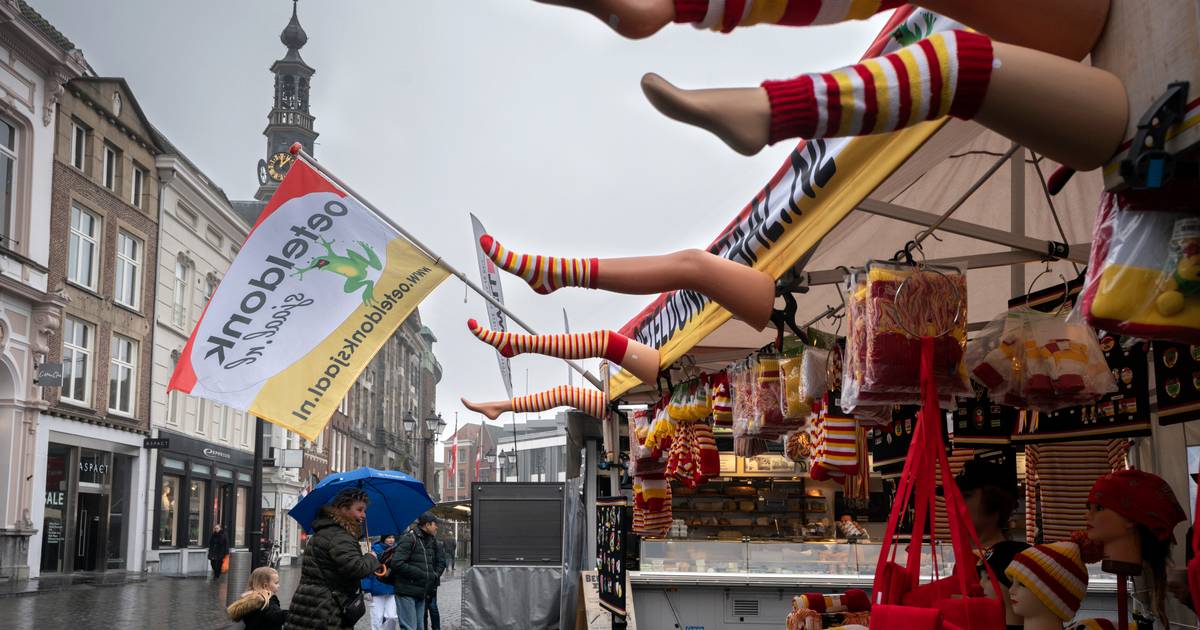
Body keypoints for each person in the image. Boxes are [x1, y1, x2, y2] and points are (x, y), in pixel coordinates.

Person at [283, 488, 378, 630]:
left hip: (309, 603)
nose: (363, 515)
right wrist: (371, 557)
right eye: (359, 510)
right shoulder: (340, 536)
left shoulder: (324, 531)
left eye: (364, 510)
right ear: (343, 509)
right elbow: (356, 568)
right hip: (327, 609)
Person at [955, 458, 1029, 630]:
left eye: (965, 496)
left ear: (995, 502)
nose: (955, 503)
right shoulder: (965, 559)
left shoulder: (1015, 562)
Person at [388, 513, 442, 630]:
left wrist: (432, 575)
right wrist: (419, 573)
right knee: (409, 627)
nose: (437, 527)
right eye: (435, 524)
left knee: (419, 627)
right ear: (427, 525)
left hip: (420, 591)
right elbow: (397, 563)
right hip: (406, 591)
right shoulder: (410, 538)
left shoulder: (428, 540)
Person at [362, 533, 398, 630]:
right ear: (383, 539)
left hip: (391, 589)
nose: (391, 540)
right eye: (389, 537)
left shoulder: (397, 551)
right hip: (376, 589)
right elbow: (367, 571)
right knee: (377, 619)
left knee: (392, 617)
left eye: (393, 537)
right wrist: (366, 589)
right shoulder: (374, 551)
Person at [426, 534, 447, 630]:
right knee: (422, 609)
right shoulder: (418, 543)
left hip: (432, 582)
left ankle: (436, 628)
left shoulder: (437, 544)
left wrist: (435, 575)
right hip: (419, 581)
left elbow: (442, 562)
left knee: (433, 607)